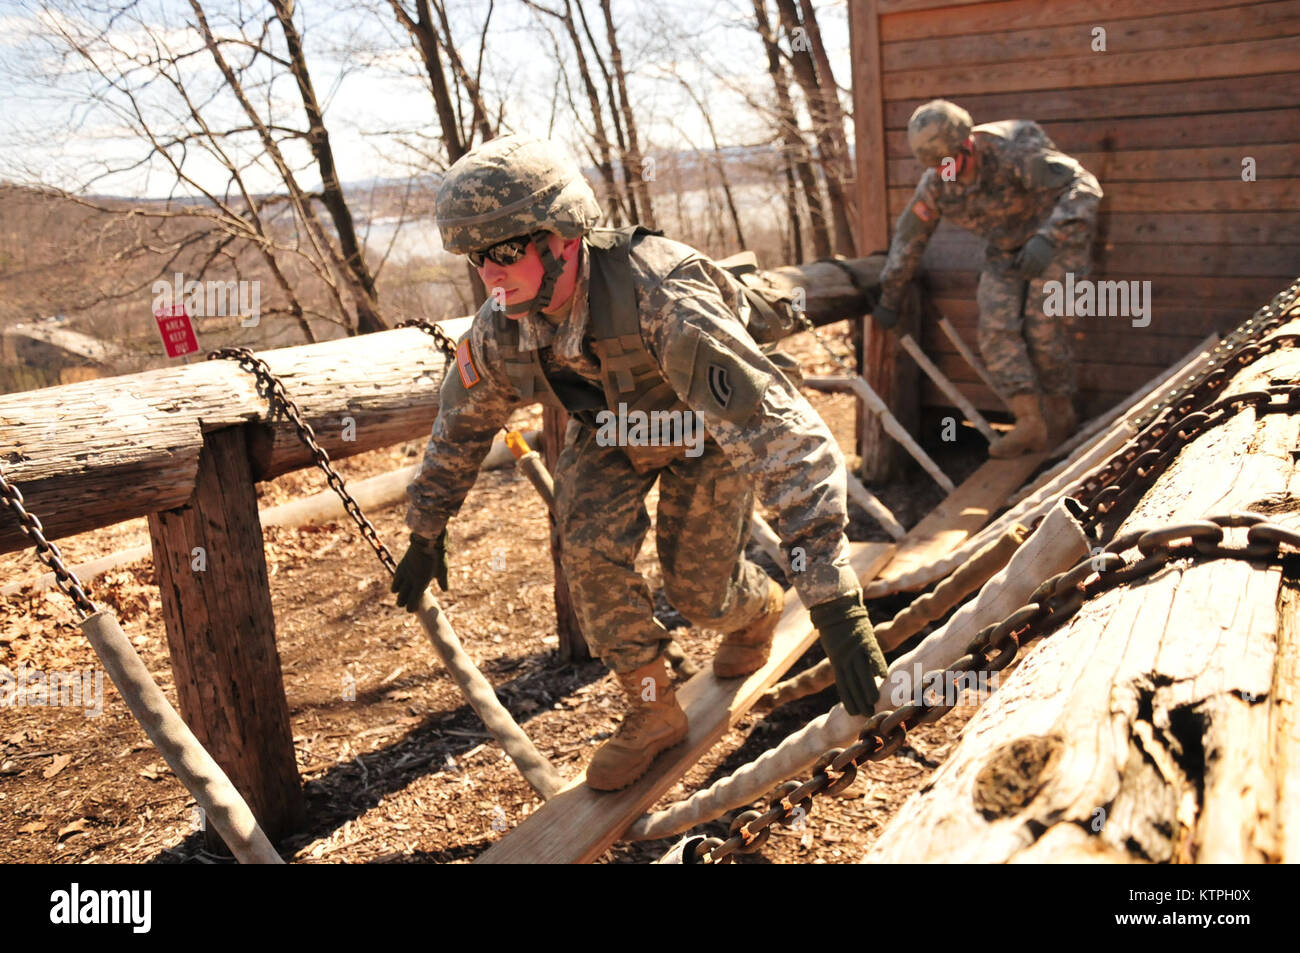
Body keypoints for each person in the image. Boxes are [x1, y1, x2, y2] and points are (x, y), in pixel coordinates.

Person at [391, 134, 887, 791]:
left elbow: (783, 434)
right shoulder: (502, 324)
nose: (490, 273)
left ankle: (759, 605)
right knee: (588, 548)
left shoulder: (663, 295)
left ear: (563, 237)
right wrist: (426, 530)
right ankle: (652, 704)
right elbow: (459, 428)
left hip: (704, 433)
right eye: (477, 257)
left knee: (699, 593)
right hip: (614, 431)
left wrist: (830, 595)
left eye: (505, 250)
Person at [873, 99, 1103, 457]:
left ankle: (1061, 418)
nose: (944, 173)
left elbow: (1085, 187)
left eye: (948, 163)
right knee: (994, 329)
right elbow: (908, 240)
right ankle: (1029, 422)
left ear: (968, 145)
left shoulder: (1014, 152)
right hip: (1007, 248)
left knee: (1043, 331)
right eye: (936, 167)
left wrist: (1048, 237)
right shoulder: (936, 182)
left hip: (1055, 241)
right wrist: (890, 296)